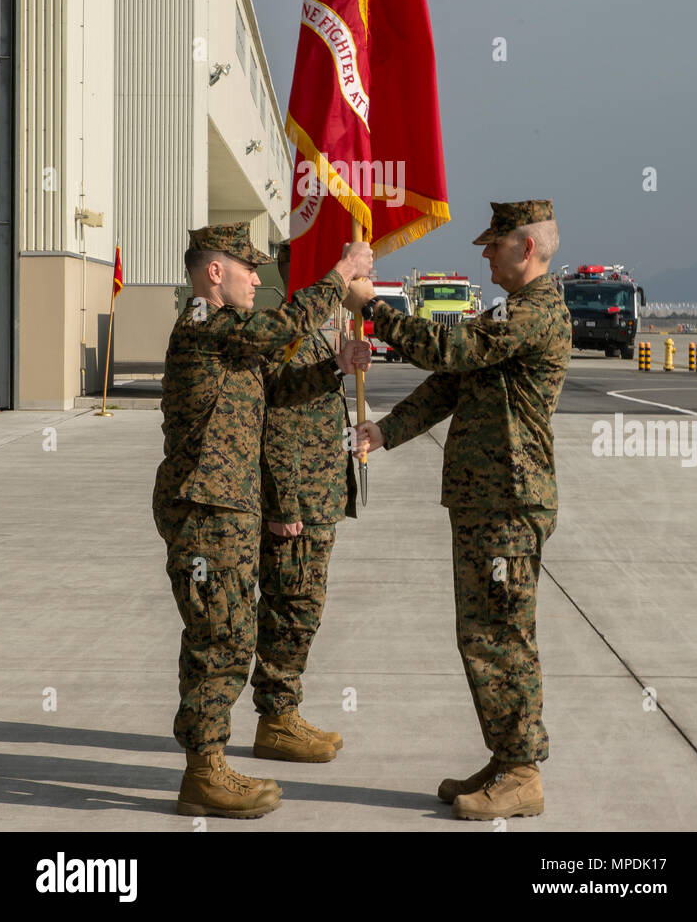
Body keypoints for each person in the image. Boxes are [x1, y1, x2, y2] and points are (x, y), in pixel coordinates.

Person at [355, 201, 571, 821]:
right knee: (480, 632)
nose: (485, 254)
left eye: (494, 244)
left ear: (524, 248)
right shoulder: (511, 312)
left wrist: (374, 309)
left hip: (508, 499)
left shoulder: (536, 314)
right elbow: (454, 383)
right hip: (486, 499)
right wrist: (387, 432)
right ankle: (507, 755)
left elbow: (448, 349)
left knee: (499, 635)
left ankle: (523, 769)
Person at [153, 223, 373, 820]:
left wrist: (334, 368)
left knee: (230, 634)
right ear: (214, 272)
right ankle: (203, 770)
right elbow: (286, 327)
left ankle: (214, 757)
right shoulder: (205, 324)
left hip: (228, 508)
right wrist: (342, 275)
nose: (259, 276)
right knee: (218, 637)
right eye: (248, 267)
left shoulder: (230, 339)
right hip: (206, 510)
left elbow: (272, 383)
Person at [251, 239, 361, 763]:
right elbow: (273, 424)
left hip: (318, 499)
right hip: (298, 506)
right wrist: (283, 507)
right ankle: (275, 719)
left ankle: (286, 711)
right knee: (290, 609)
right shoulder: (282, 333)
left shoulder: (310, 337)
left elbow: (297, 394)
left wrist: (337, 366)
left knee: (304, 609)